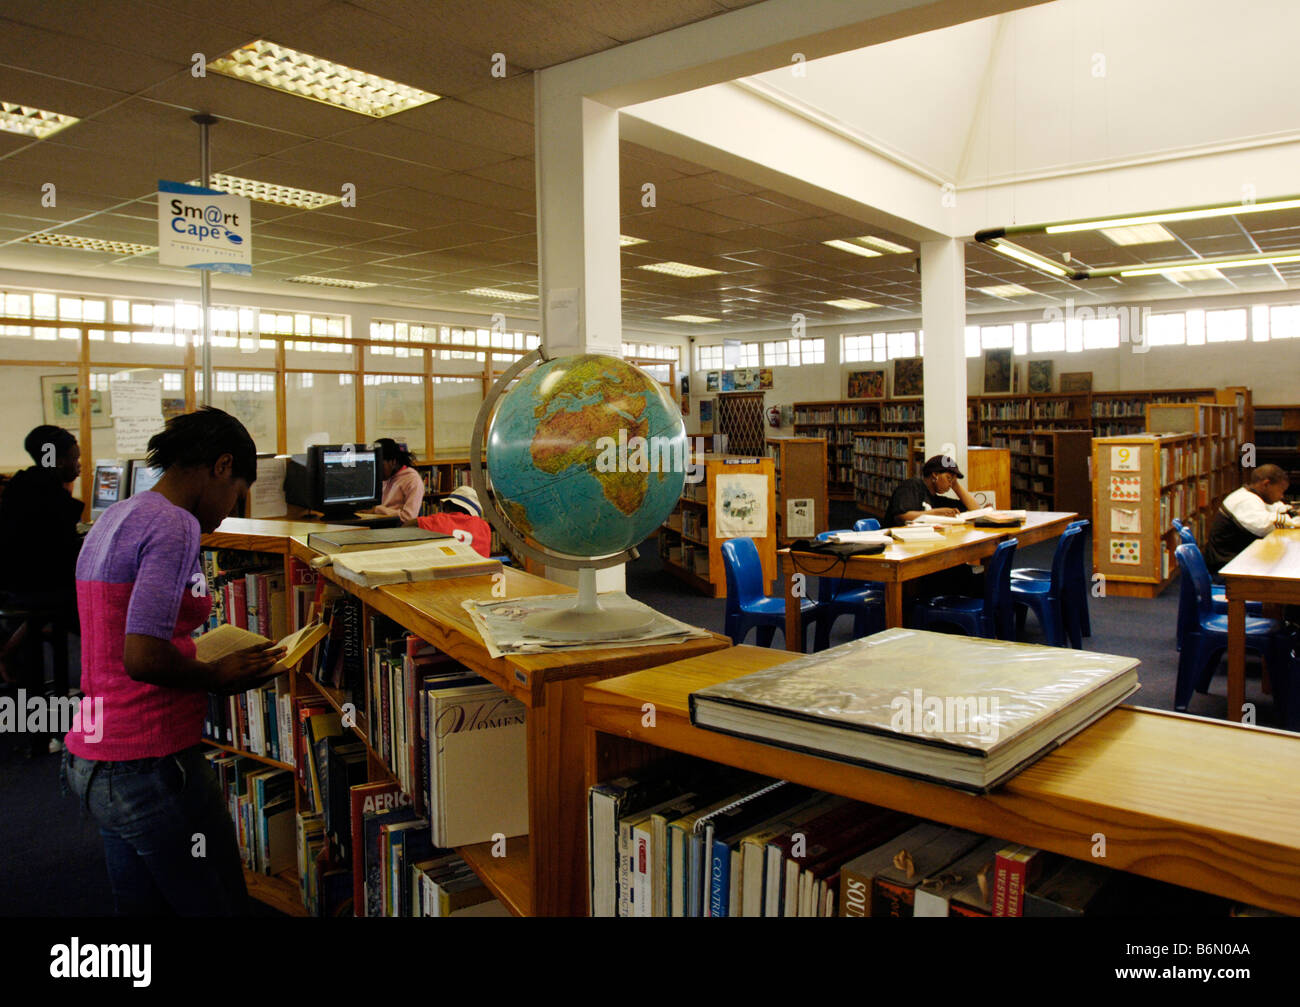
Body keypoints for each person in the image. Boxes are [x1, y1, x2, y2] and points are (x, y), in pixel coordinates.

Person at [61, 407, 285, 916]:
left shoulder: (116, 514)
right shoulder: (176, 524)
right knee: (217, 903)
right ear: (222, 466)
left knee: (141, 910)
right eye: (237, 492)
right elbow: (141, 656)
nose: (230, 510)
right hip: (147, 760)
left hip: (97, 755)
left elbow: (116, 635)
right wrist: (215, 674)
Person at [0, 426, 83, 709]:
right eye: (75, 459)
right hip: (38, 587)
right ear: (58, 461)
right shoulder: (50, 497)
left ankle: (18, 643)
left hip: (17, 583)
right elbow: (67, 558)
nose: (79, 466)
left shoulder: (23, 484)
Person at [1203, 464, 1295, 575]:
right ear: (1266, 484)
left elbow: (1274, 508)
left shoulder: (1251, 495)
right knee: (1284, 569)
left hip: (1236, 559)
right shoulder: (1245, 500)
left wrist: (1290, 512)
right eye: (1281, 491)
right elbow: (1263, 527)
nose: (1281, 496)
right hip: (1227, 567)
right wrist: (1290, 521)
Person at [884, 454, 980, 527]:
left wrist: (955, 485)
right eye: (949, 478)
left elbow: (976, 511)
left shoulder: (935, 498)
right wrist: (937, 513)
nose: (950, 484)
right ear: (935, 475)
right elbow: (902, 517)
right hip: (897, 546)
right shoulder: (912, 486)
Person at [408, 485, 493, 557]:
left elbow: (408, 524)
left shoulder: (437, 520)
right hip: (479, 575)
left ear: (447, 506)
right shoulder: (484, 527)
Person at [365, 437, 423, 522]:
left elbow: (409, 517)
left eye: (380, 465)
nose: (377, 471)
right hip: (379, 523)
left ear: (393, 462)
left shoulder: (412, 480)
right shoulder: (385, 477)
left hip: (399, 529)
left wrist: (377, 510)